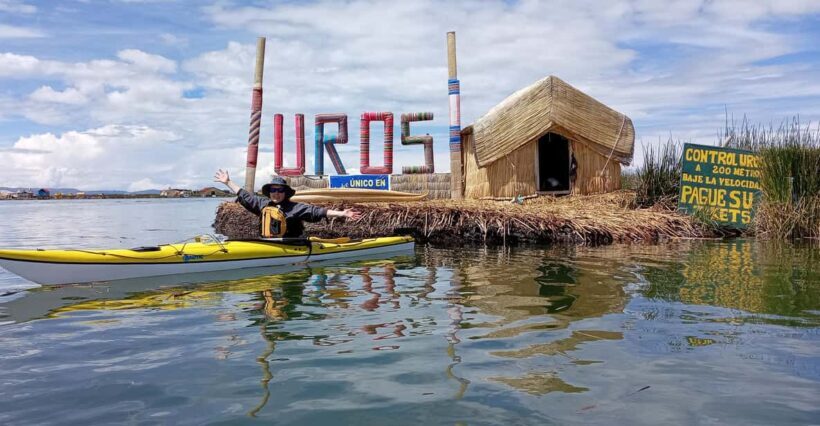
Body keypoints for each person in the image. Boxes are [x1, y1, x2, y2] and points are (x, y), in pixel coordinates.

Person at [214, 169, 362, 238]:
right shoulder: (263, 204)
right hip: (268, 243)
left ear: (285, 192)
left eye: (279, 190)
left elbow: (318, 212)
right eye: (273, 190)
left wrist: (343, 213)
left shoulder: (295, 208)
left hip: (294, 245)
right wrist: (228, 182)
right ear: (269, 192)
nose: (276, 193)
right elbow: (245, 196)